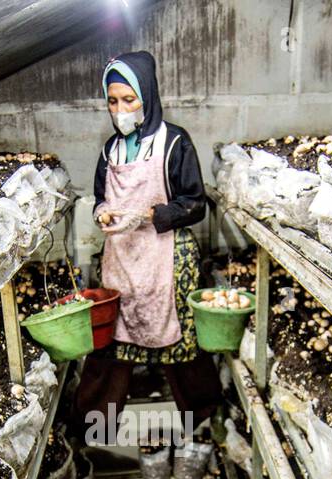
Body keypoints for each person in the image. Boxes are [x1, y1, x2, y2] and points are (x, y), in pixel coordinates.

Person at [71, 50, 223, 441]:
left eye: (129, 99)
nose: (120, 109)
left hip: (166, 256)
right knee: (111, 341)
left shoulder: (174, 142)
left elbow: (195, 203)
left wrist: (152, 216)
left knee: (181, 344)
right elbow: (99, 196)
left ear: (148, 97)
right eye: (112, 100)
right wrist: (104, 212)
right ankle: (95, 430)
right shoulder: (111, 149)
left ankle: (202, 423)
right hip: (121, 256)